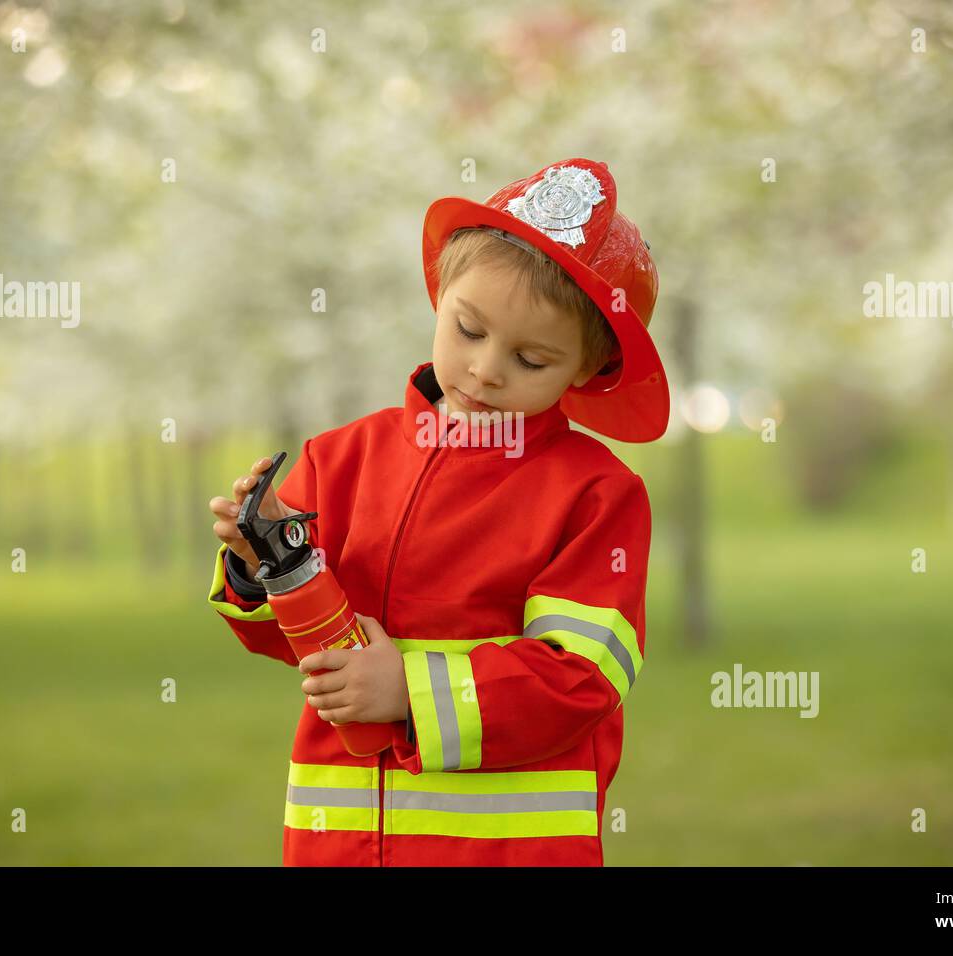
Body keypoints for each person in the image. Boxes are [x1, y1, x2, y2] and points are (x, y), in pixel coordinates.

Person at [206, 158, 669, 866]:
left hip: (505, 854)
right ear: (440, 296)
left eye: (532, 358)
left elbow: (578, 678)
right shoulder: (340, 459)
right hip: (338, 847)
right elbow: (305, 641)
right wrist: (256, 569)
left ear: (584, 368)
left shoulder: (595, 498)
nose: (487, 370)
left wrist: (406, 690)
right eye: (470, 330)